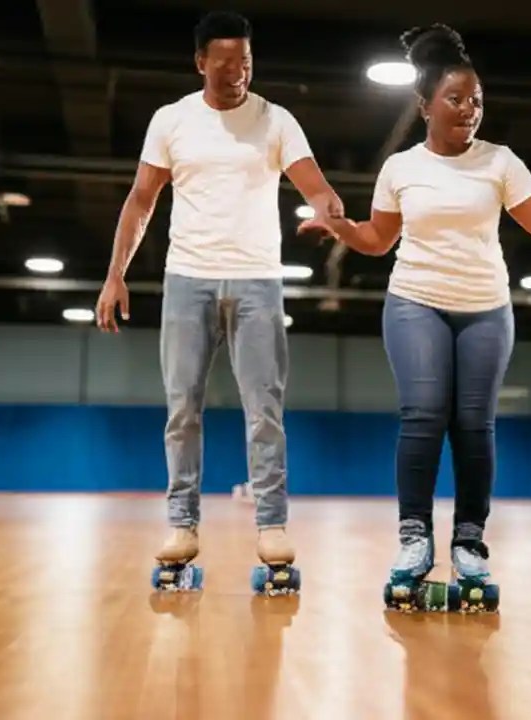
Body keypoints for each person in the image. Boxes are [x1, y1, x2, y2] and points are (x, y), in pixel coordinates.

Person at [300, 23, 531, 608]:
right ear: (424, 105)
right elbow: (378, 239)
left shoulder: (499, 162)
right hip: (414, 301)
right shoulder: (401, 167)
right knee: (424, 414)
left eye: (476, 100)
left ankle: (470, 541)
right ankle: (414, 539)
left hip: (485, 308)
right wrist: (339, 227)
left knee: (474, 424)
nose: (469, 110)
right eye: (456, 99)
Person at [94, 11, 344, 593]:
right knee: (182, 407)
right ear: (201, 61)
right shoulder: (171, 120)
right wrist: (115, 274)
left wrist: (329, 211)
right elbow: (140, 200)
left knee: (266, 409)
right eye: (225, 63)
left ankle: (272, 523)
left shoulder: (276, 120)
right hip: (188, 278)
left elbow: (316, 184)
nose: (237, 74)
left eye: (247, 62)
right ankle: (181, 524)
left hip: (258, 279)